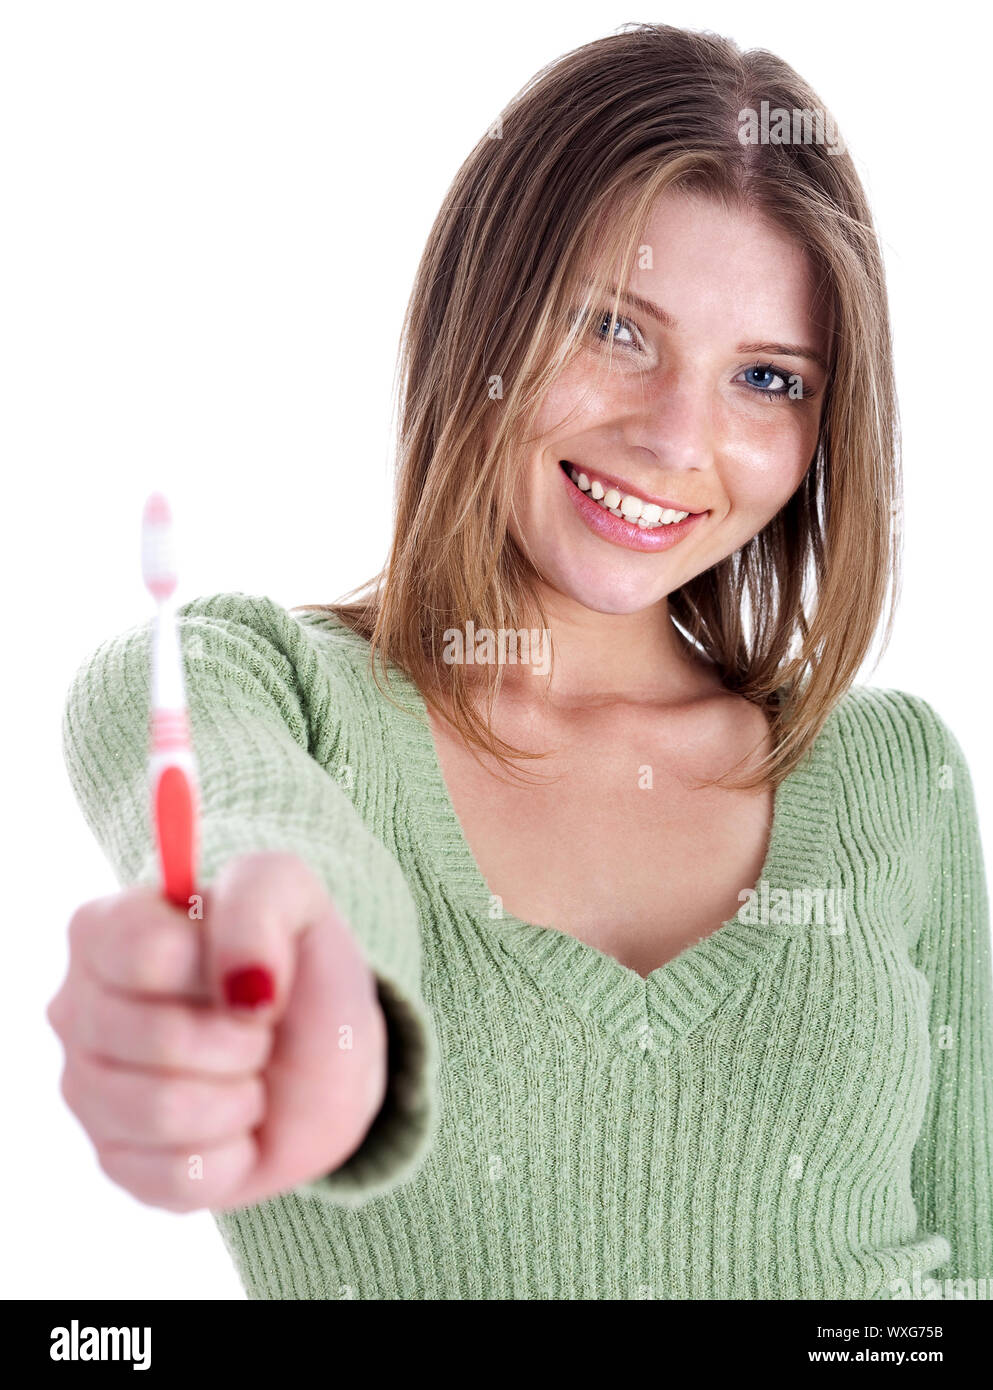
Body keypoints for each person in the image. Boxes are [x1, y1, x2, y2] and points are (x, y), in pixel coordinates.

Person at [50, 23, 992, 1300]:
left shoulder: (894, 773)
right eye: (614, 328)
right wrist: (301, 990)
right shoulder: (240, 682)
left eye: (768, 378)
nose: (676, 437)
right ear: (481, 309)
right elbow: (274, 859)